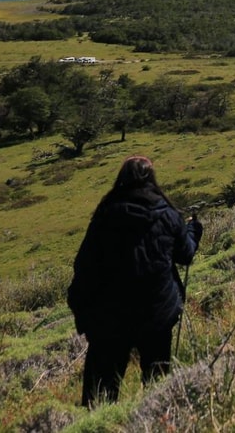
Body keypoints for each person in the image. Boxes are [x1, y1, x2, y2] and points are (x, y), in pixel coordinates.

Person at [67, 155, 203, 407]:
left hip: (109, 318)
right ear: (151, 178)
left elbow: (84, 266)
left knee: (101, 395)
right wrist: (194, 230)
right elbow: (185, 255)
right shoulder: (167, 214)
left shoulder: (105, 215)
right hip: (157, 313)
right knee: (158, 385)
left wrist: (81, 309)